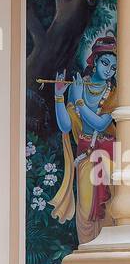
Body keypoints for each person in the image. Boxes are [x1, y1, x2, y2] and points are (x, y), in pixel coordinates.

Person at [50, 32, 117, 245]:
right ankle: (88, 250)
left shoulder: (113, 92)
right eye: (105, 62)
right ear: (94, 61)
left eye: (113, 67)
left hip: (109, 155)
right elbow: (66, 126)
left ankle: (107, 252)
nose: (108, 70)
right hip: (85, 154)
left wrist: (79, 101)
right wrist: (59, 96)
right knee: (86, 207)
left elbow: (100, 124)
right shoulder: (79, 85)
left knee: (110, 205)